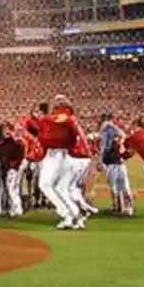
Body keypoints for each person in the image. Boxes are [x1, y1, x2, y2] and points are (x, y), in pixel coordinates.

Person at [29, 95, 87, 230]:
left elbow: (43, 137)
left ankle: (68, 214)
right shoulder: (71, 119)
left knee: (45, 185)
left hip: (54, 154)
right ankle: (75, 215)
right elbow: (75, 136)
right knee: (61, 187)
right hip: (67, 155)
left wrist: (37, 156)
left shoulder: (47, 119)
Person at [98, 114, 132, 216]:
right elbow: (123, 136)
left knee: (114, 186)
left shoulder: (106, 131)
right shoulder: (118, 131)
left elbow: (104, 148)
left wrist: (100, 161)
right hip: (120, 161)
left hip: (111, 162)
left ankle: (117, 207)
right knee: (124, 185)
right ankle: (128, 208)